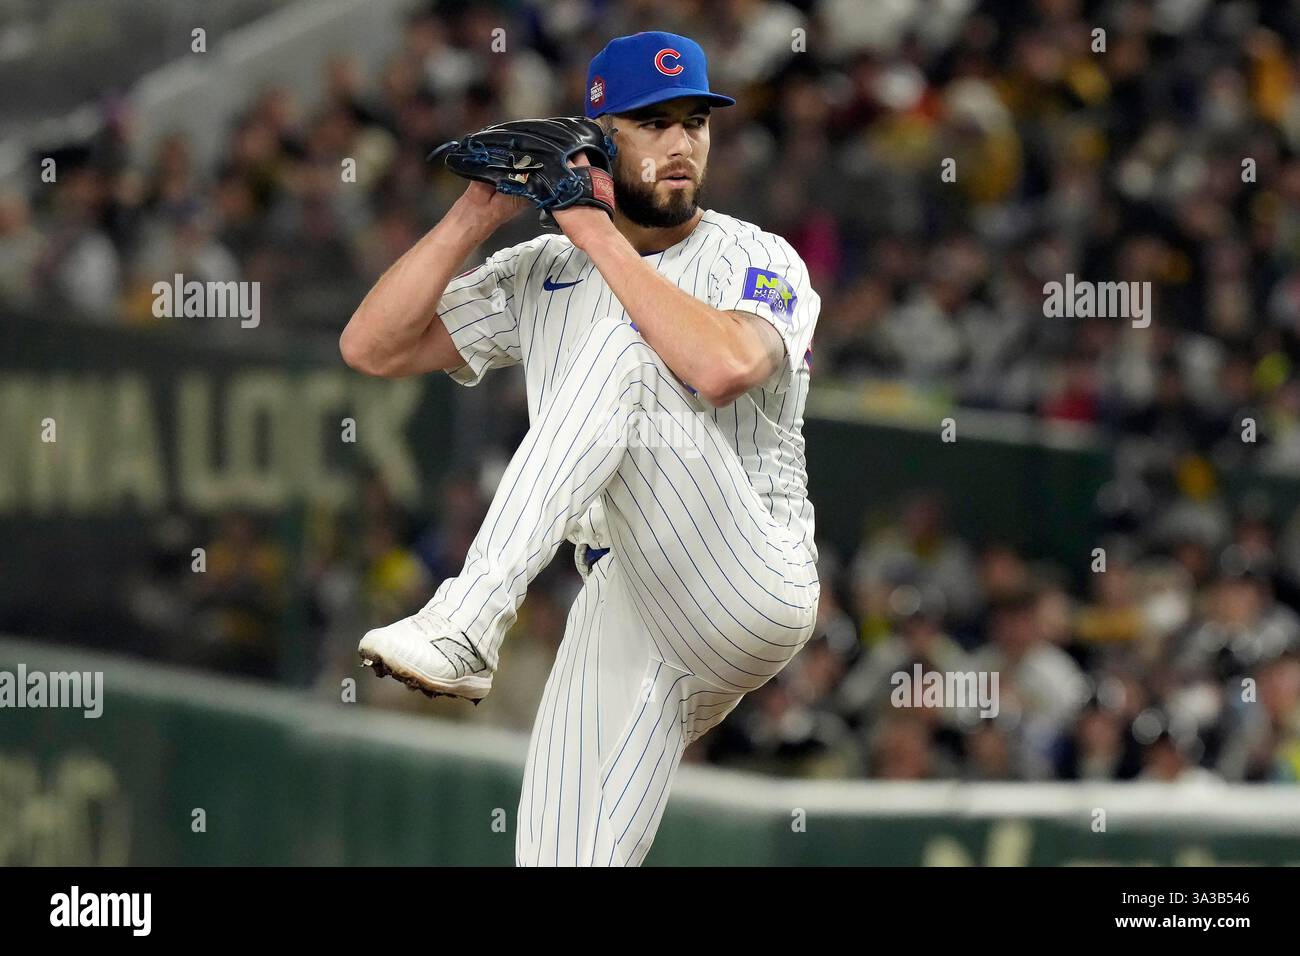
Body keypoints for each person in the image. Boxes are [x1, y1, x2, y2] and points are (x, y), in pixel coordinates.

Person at [340, 31, 821, 867]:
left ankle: (468, 620)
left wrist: (591, 229)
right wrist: (475, 214)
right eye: (652, 122)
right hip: (627, 592)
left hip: (748, 572)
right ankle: (467, 624)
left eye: (695, 122)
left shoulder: (757, 254)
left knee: (627, 349)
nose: (681, 144)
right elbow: (372, 348)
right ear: (598, 138)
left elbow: (724, 366)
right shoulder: (545, 269)